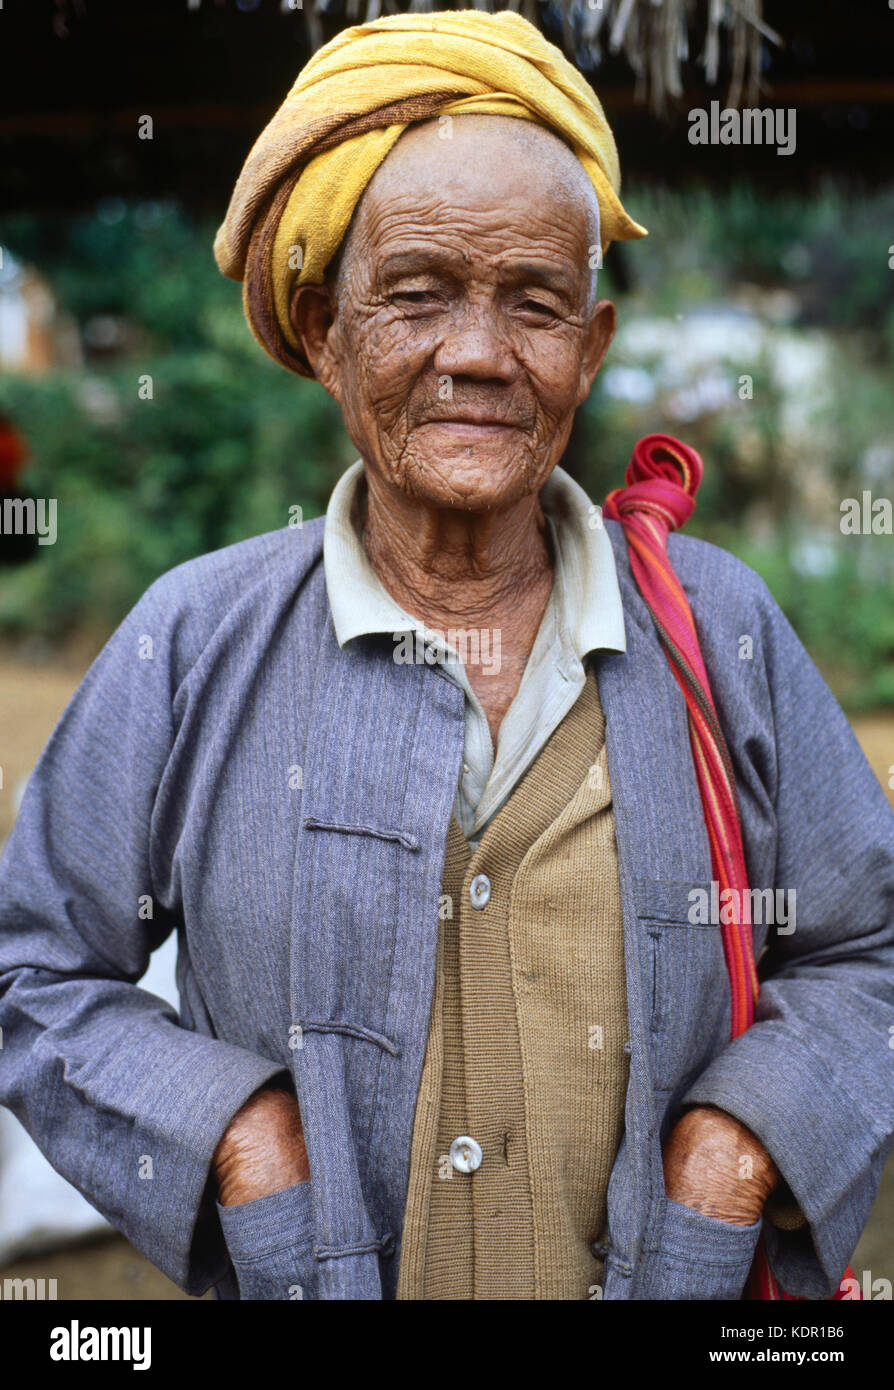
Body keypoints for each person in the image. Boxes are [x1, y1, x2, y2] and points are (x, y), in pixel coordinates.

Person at [1, 11, 892, 1301]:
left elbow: (865, 948)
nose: (477, 354)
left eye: (535, 306)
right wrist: (242, 1138)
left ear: (587, 353)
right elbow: (36, 968)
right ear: (324, 329)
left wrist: (735, 1145)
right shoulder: (194, 639)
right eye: (416, 295)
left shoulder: (722, 631)